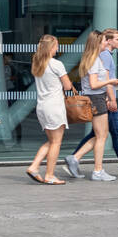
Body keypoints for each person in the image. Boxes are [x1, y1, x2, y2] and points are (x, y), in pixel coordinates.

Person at [69, 28, 118, 178]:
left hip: (96, 98)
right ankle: (96, 169)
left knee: (100, 135)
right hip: (97, 98)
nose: (106, 42)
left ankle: (79, 159)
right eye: (104, 40)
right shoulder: (95, 60)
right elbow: (93, 84)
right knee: (102, 136)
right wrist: (110, 82)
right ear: (98, 42)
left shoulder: (92, 58)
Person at [26, 35, 72, 185]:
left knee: (52, 141)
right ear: (50, 47)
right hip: (54, 106)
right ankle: (50, 175)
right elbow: (68, 86)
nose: (58, 48)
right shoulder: (56, 64)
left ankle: (34, 167)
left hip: (42, 106)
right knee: (56, 142)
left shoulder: (37, 63)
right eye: (56, 46)